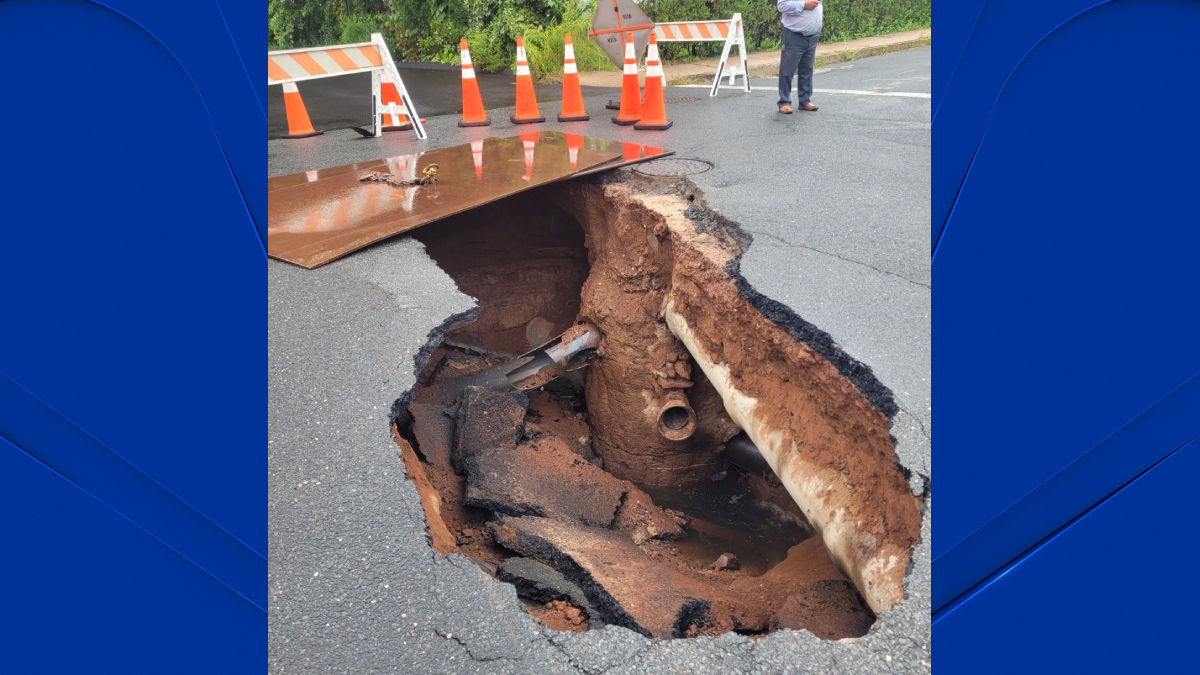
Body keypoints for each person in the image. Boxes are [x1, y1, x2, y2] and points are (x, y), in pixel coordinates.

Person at [776, 0, 823, 113]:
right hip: (794, 35)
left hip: (812, 36)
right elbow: (782, 5)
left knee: (807, 69)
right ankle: (784, 102)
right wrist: (803, 5)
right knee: (787, 70)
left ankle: (805, 100)